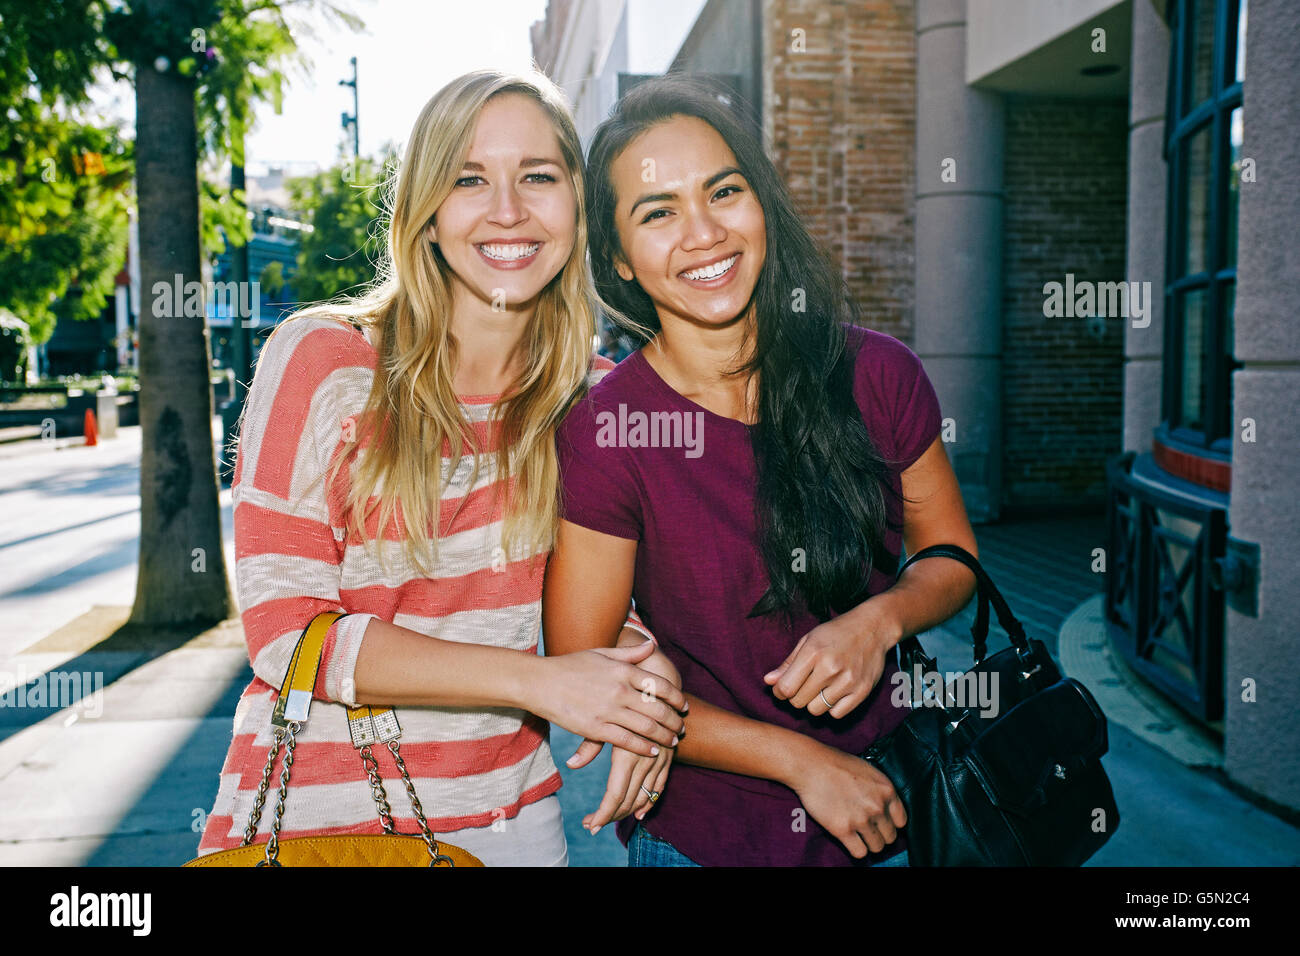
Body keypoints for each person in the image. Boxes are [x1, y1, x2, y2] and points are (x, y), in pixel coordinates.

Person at [196, 69, 687, 867]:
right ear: (426, 214)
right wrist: (539, 683)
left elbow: (585, 599)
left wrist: (642, 683)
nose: (508, 209)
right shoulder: (325, 359)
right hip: (323, 830)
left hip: (514, 821)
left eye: (537, 176)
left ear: (576, 204)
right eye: (469, 179)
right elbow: (288, 636)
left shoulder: (597, 400)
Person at [542, 74, 980, 867]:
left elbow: (952, 557)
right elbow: (588, 670)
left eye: (724, 191)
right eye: (659, 211)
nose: (703, 232)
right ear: (620, 258)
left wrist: (879, 622)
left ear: (763, 204)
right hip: (704, 839)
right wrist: (800, 760)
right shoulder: (607, 432)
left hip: (897, 816)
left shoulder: (877, 373)